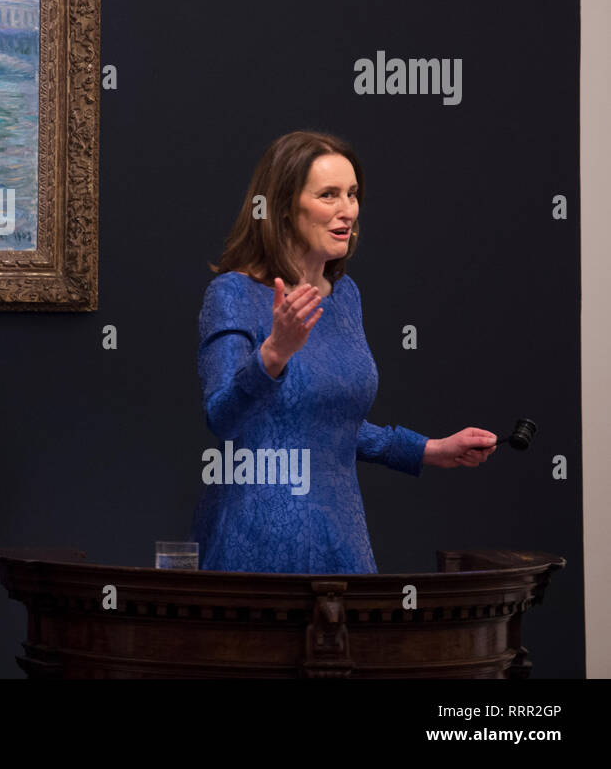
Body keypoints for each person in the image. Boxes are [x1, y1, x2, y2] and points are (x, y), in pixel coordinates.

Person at [192, 131, 497, 573]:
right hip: (257, 541)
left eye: (352, 195)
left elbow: (329, 423)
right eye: (328, 195)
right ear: (281, 208)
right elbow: (221, 419)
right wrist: (273, 354)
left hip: (341, 538)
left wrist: (430, 449)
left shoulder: (346, 296)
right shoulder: (233, 294)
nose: (347, 211)